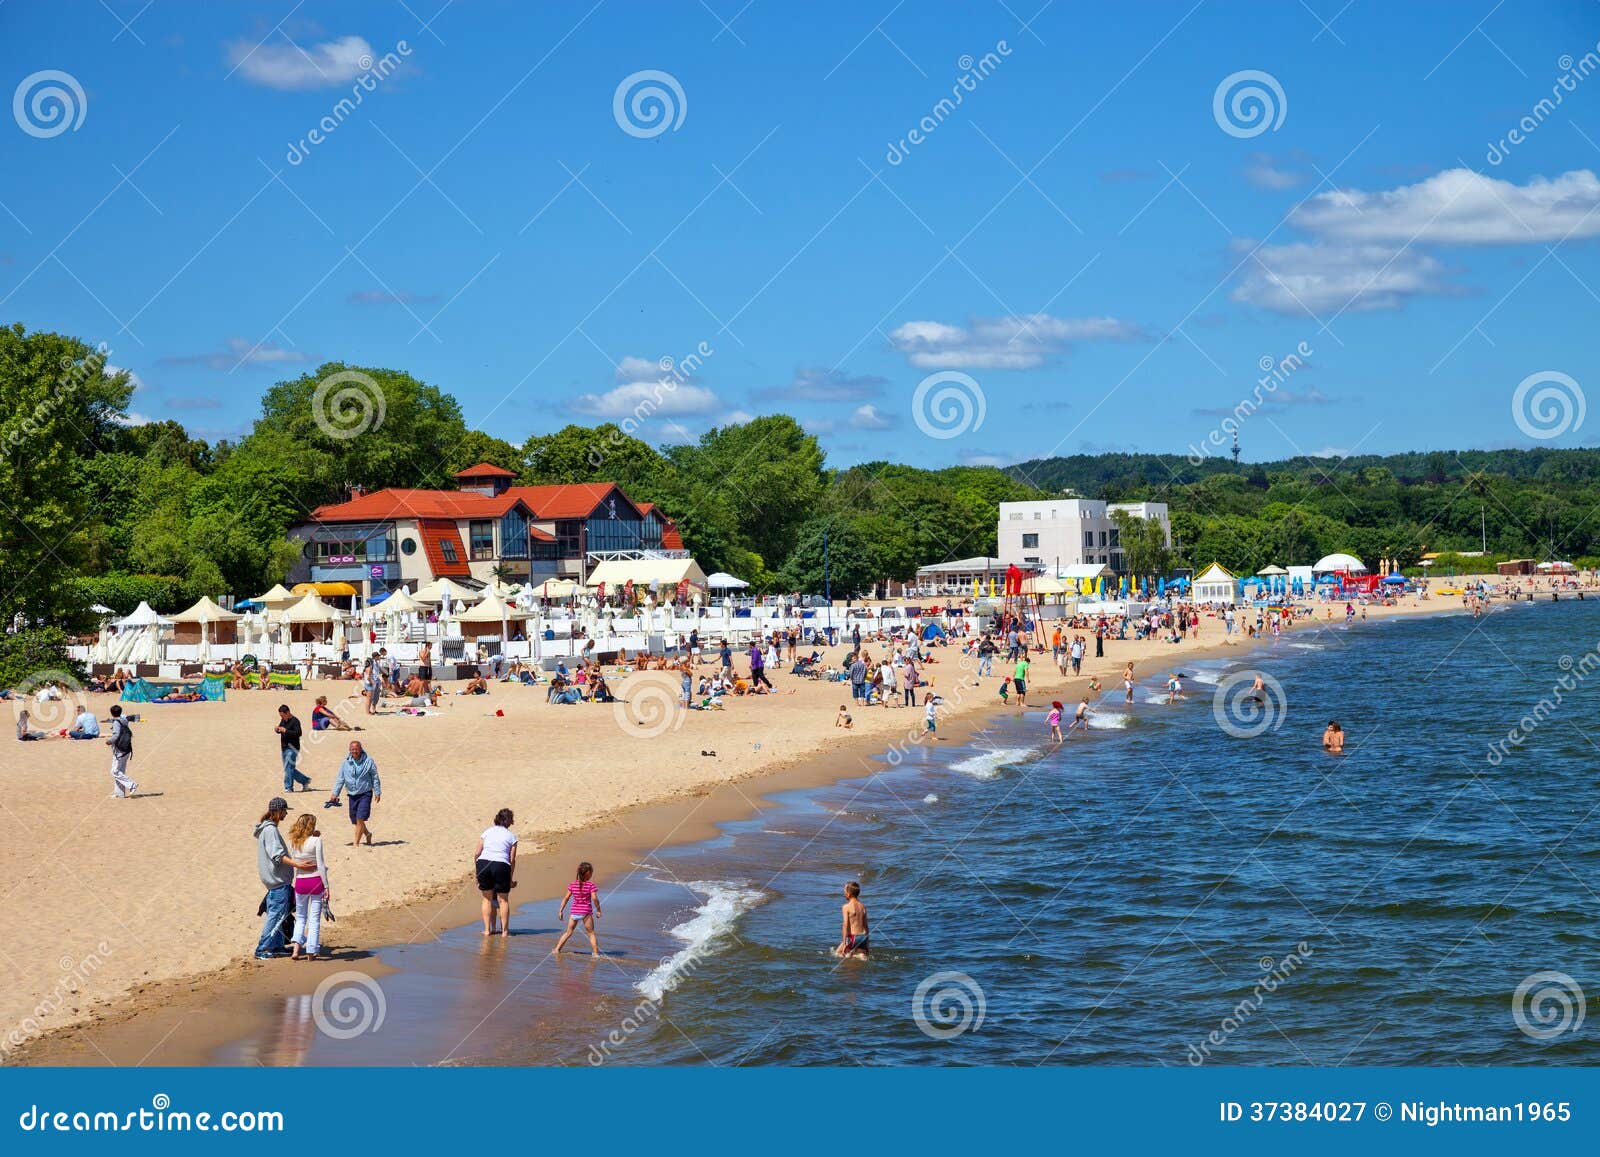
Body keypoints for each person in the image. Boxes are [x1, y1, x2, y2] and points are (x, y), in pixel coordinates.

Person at [254, 797, 308, 960]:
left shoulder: (267, 829)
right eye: (284, 811)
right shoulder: (270, 830)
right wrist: (298, 864)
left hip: (275, 881)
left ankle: (276, 945)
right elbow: (277, 855)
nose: (285, 814)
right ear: (277, 811)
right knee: (275, 915)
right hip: (278, 881)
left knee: (279, 914)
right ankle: (262, 948)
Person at [285, 812, 330, 960]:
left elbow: (295, 861)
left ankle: (296, 950)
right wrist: (327, 886)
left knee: (301, 917)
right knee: (314, 918)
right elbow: (321, 864)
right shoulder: (317, 840)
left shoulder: (295, 841)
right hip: (315, 881)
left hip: (300, 882)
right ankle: (311, 951)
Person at [328, 740, 382, 847]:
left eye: (356, 749)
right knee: (355, 820)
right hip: (352, 794)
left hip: (365, 793)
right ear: (349, 750)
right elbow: (340, 779)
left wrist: (377, 791)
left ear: (361, 749)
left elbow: (375, 777)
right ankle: (367, 834)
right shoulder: (345, 763)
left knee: (360, 818)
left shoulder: (369, 761)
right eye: (352, 749)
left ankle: (356, 843)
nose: (354, 751)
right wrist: (335, 794)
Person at [474, 808, 518, 936]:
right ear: (508, 821)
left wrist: (477, 872)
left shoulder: (487, 832)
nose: (512, 823)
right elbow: (512, 859)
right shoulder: (511, 836)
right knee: (503, 900)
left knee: (486, 899)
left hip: (483, 863)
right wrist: (510, 878)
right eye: (511, 820)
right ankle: (504, 932)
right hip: (501, 864)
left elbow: (477, 853)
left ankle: (487, 930)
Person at [553, 861, 601, 955]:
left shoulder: (572, 885)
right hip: (586, 913)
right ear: (589, 873)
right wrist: (598, 910)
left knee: (568, 932)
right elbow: (594, 898)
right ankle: (596, 954)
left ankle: (557, 949)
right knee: (591, 933)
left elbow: (566, 898)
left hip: (574, 912)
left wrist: (560, 911)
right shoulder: (590, 885)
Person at [276, 704, 312, 793]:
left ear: (287, 712)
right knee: (288, 768)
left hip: (292, 748)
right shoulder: (283, 720)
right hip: (284, 747)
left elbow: (298, 733)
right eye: (280, 715)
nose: (282, 717)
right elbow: (281, 729)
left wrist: (286, 731)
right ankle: (305, 780)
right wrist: (277, 729)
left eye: (282, 715)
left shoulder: (295, 721)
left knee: (289, 768)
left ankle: (289, 788)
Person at [104, 704, 138, 798]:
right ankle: (119, 793)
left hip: (119, 750)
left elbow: (116, 735)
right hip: (126, 749)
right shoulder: (124, 719)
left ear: (111, 713)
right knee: (120, 771)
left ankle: (132, 785)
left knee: (114, 771)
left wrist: (109, 741)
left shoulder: (116, 722)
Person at [836, 881, 869, 958]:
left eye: (844, 891)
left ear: (849, 894)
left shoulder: (846, 907)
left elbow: (845, 925)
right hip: (863, 937)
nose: (844, 894)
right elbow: (866, 926)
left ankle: (856, 955)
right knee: (857, 951)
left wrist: (844, 943)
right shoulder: (863, 906)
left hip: (853, 937)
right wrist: (867, 943)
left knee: (838, 953)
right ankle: (860, 955)